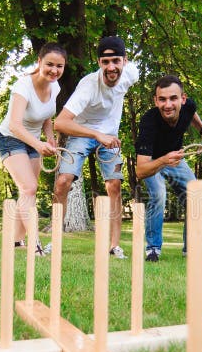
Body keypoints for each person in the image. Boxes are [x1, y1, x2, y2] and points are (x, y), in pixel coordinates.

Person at [53, 36, 139, 259]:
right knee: (63, 181)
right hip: (82, 133)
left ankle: (114, 246)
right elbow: (60, 123)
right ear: (99, 62)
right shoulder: (89, 86)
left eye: (116, 61)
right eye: (105, 62)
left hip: (110, 136)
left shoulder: (131, 73)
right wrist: (96, 134)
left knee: (114, 185)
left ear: (125, 61)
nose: (111, 67)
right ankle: (54, 242)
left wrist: (106, 135)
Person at [135, 75, 202, 262]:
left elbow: (192, 113)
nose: (168, 105)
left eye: (173, 98)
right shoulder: (148, 122)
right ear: (156, 101)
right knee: (158, 194)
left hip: (176, 158)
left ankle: (191, 249)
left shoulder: (189, 106)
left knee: (196, 196)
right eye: (162, 99)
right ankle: (153, 249)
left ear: (183, 99)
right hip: (153, 161)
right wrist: (163, 160)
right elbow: (140, 170)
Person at [0, 42, 67, 255]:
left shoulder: (55, 87)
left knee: (28, 192)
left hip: (34, 141)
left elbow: (46, 116)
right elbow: (15, 125)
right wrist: (38, 144)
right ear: (39, 62)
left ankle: (16, 241)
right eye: (50, 64)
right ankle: (35, 244)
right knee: (29, 188)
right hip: (11, 139)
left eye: (59, 66)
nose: (54, 70)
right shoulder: (23, 86)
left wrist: (50, 138)